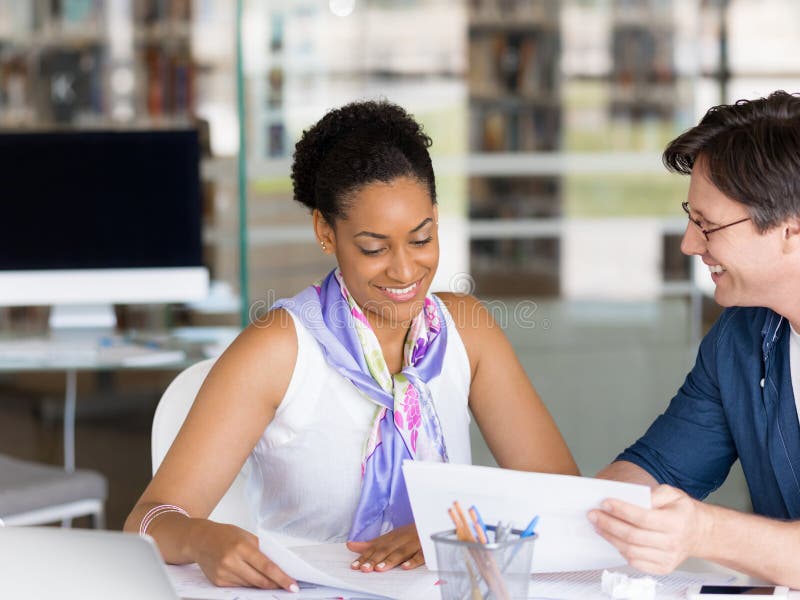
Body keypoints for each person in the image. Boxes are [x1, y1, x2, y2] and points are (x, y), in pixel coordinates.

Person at [124, 100, 578, 592]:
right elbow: (148, 520)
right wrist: (201, 539)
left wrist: (452, 533)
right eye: (373, 248)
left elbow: (561, 494)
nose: (405, 271)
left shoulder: (468, 331)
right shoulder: (276, 350)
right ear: (325, 231)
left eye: (421, 239)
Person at [589, 91, 800, 588]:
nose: (688, 244)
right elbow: (657, 470)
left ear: (791, 230)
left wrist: (703, 530)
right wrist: (540, 518)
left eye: (707, 225)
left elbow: (692, 525)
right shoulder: (742, 337)